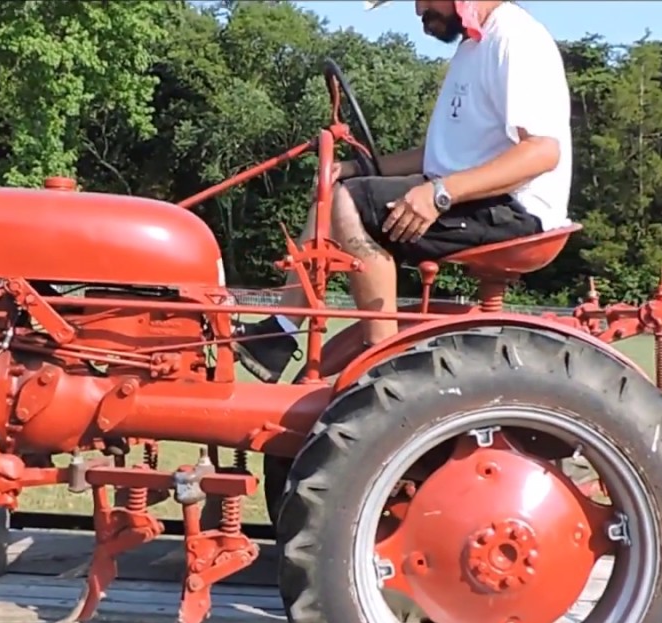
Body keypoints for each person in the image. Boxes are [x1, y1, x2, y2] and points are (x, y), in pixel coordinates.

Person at [233, 0, 573, 383]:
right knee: (335, 190)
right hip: (475, 198)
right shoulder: (472, 47)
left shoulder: (514, 38)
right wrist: (353, 167)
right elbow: (438, 157)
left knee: (348, 203)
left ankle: (383, 359)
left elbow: (543, 153)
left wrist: (439, 194)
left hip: (514, 210)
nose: (417, 10)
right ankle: (279, 331)